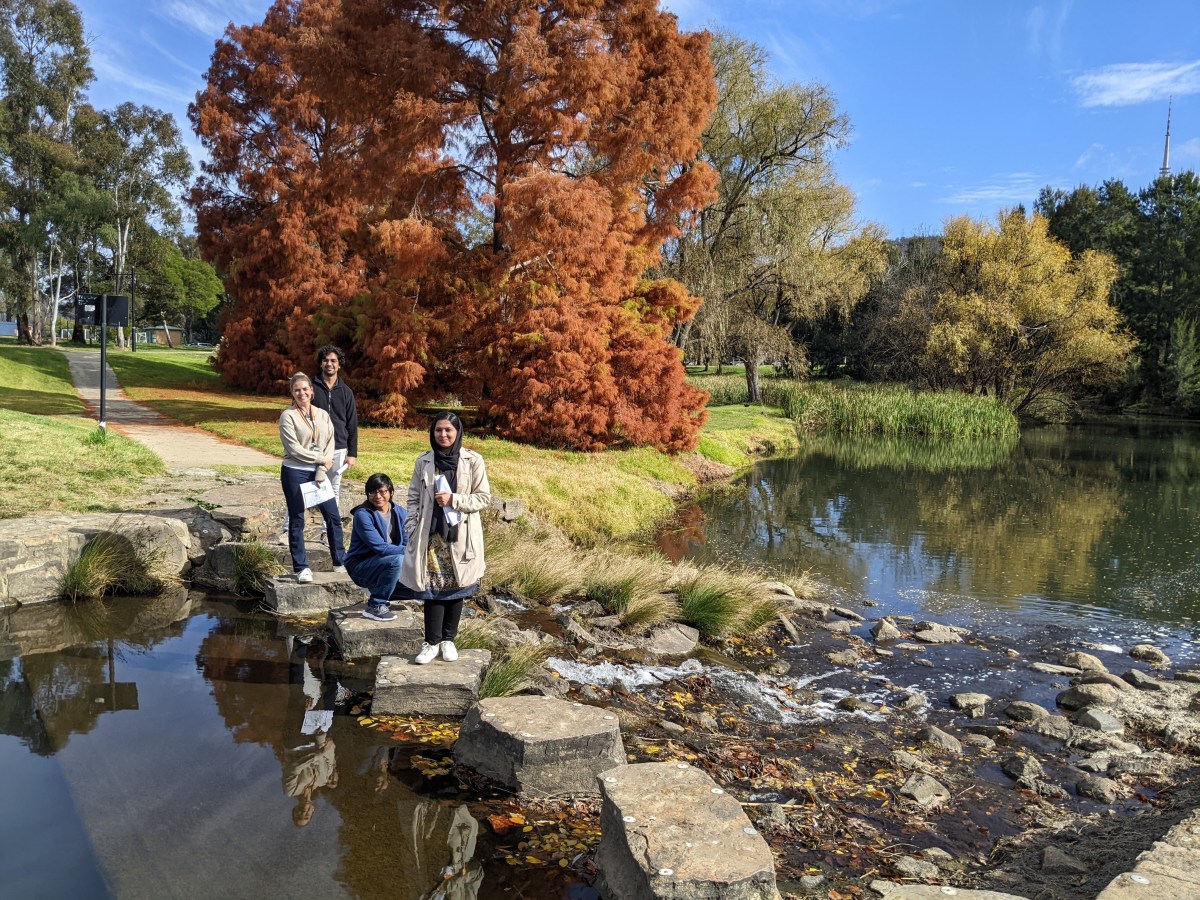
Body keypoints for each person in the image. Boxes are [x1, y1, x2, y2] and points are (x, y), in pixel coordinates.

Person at [397, 412, 491, 664]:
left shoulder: (473, 460)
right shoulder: (424, 461)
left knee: (457, 587)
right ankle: (431, 643)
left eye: (448, 430)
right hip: (432, 536)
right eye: (439, 430)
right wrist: (411, 528)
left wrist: (454, 500)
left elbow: (483, 497)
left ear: (458, 432)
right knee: (432, 589)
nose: (443, 435)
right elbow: (414, 497)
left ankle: (448, 640)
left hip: (461, 535)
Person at [279, 372, 346, 582]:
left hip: (319, 472)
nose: (301, 393)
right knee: (297, 518)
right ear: (292, 393)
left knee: (333, 517)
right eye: (296, 390)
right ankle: (301, 568)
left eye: (305, 389)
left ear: (312, 391)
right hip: (295, 471)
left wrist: (321, 468)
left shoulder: (322, 415)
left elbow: (330, 443)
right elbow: (294, 449)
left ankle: (340, 562)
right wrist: (320, 459)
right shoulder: (287, 416)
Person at [344, 473, 408, 622]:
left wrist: (412, 553)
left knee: (421, 586)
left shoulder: (401, 513)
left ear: (391, 492)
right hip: (360, 566)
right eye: (372, 492)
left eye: (382, 491)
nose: (377, 496)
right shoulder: (363, 514)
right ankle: (376, 605)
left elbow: (406, 542)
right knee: (398, 559)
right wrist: (411, 553)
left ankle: (383, 591)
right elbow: (379, 547)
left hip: (387, 563)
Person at [310, 344, 358, 502]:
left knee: (333, 488)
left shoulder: (346, 392)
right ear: (320, 363)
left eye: (333, 360)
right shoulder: (310, 388)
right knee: (307, 485)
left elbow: (351, 424)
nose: (329, 364)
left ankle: (329, 527)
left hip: (338, 448)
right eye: (325, 360)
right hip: (312, 447)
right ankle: (293, 526)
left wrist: (352, 454)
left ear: (339, 364)